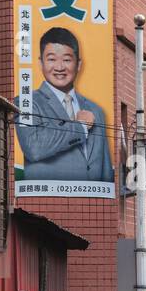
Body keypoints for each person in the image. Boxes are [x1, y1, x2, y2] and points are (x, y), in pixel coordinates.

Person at [16, 27, 114, 181]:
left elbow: (106, 168)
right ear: (40, 63)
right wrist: (80, 127)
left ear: (79, 64)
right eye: (51, 59)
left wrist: (108, 200)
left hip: (94, 199)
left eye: (67, 59)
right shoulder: (27, 101)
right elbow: (33, 147)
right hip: (45, 197)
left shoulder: (96, 110)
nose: (60, 67)